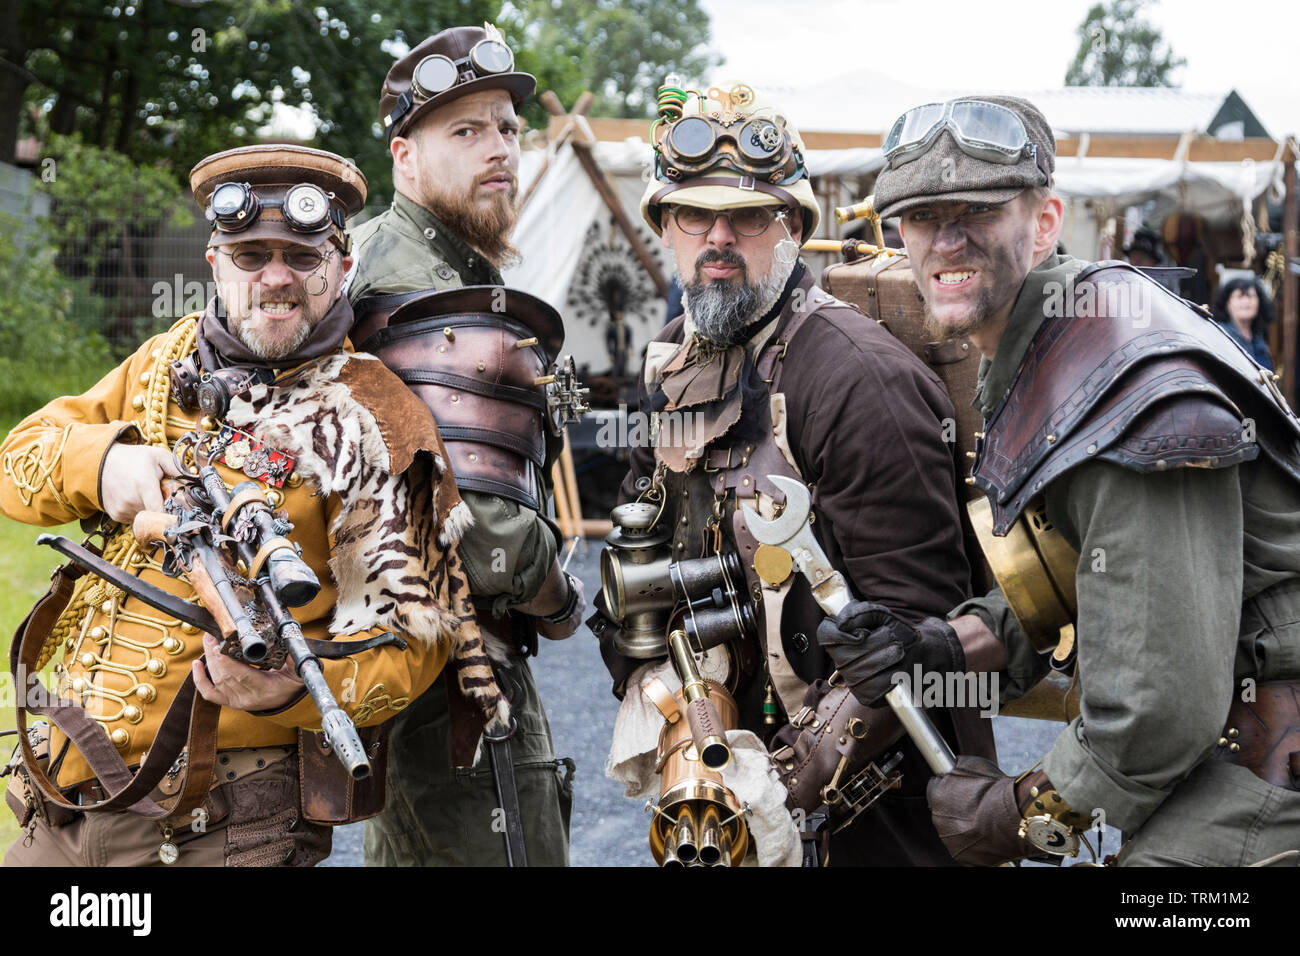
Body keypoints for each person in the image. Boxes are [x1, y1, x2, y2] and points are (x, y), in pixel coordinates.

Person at [821, 94, 1300, 866]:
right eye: (920, 216)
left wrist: (1017, 814)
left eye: (977, 212)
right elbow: (1086, 572)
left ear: (1045, 223)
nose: (945, 240)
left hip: (1265, 766)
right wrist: (940, 646)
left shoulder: (1131, 399)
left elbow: (1159, 711)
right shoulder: (1060, 339)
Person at [0, 144, 496, 867]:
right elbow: (16, 463)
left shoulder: (376, 420)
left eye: (302, 257)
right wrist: (104, 466)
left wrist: (285, 693)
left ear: (341, 267)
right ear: (215, 263)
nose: (276, 277)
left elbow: (415, 647)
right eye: (250, 255)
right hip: (64, 799)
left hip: (226, 821)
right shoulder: (163, 361)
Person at [588, 86, 994, 865]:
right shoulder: (675, 358)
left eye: (749, 217)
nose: (718, 238)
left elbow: (916, 632)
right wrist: (674, 720)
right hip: (723, 783)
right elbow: (640, 555)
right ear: (663, 227)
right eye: (693, 215)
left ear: (795, 229)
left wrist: (774, 796)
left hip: (879, 818)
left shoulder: (858, 378)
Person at [347, 24, 583, 868]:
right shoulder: (408, 282)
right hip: (452, 675)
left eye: (509, 129)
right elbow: (479, 532)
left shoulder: (445, 263)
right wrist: (559, 597)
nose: (500, 149)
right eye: (467, 130)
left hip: (423, 668)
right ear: (404, 156)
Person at [1213, 274, 1275, 371]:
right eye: (1240, 296)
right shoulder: (1219, 335)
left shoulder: (1259, 337)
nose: (1246, 301)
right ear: (1227, 304)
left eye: (1250, 296)